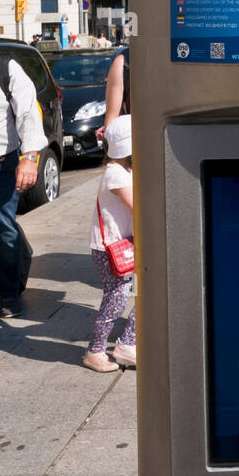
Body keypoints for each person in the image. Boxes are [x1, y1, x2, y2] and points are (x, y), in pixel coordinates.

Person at [0, 55, 48, 318]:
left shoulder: (5, 68)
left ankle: (8, 293)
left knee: (4, 228)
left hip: (2, 164)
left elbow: (28, 113)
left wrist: (29, 158)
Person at [84, 114, 135, 372]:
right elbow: (139, 205)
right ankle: (95, 350)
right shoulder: (116, 174)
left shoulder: (125, 170)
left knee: (146, 293)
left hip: (124, 244)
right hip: (110, 249)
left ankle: (128, 342)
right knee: (115, 299)